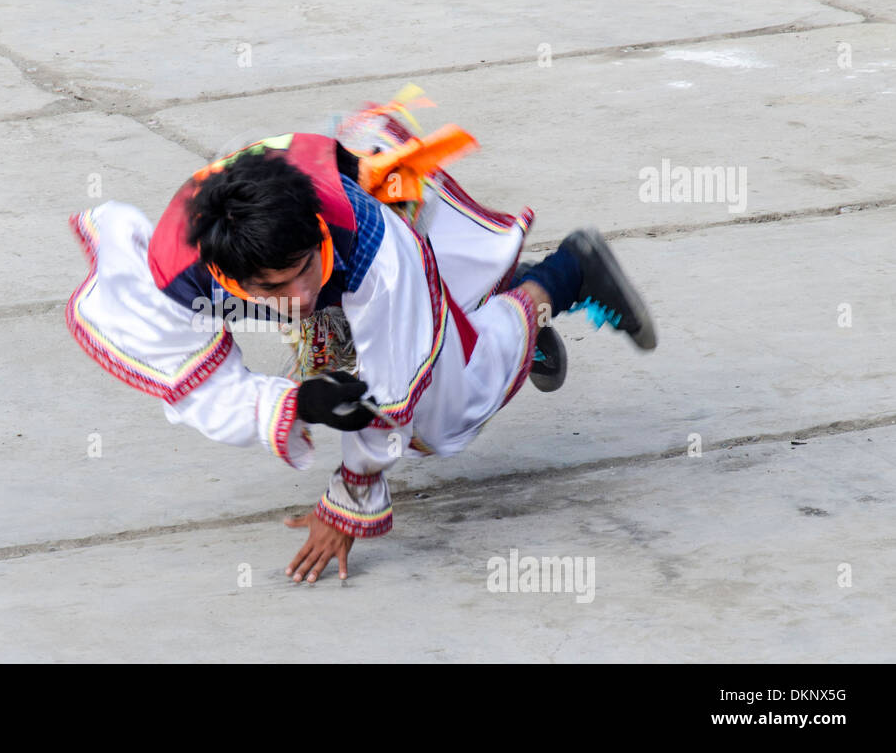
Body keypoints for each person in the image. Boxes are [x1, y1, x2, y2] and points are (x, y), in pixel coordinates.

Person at [65, 95, 656, 584]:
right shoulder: (170, 276)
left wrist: (349, 496)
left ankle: (562, 277)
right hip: (321, 247)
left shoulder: (369, 238)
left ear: (318, 231)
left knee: (440, 416)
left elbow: (392, 392)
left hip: (392, 202)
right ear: (227, 278)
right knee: (365, 350)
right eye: (273, 287)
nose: (296, 295)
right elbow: (198, 391)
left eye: (305, 268)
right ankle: (491, 325)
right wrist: (293, 403)